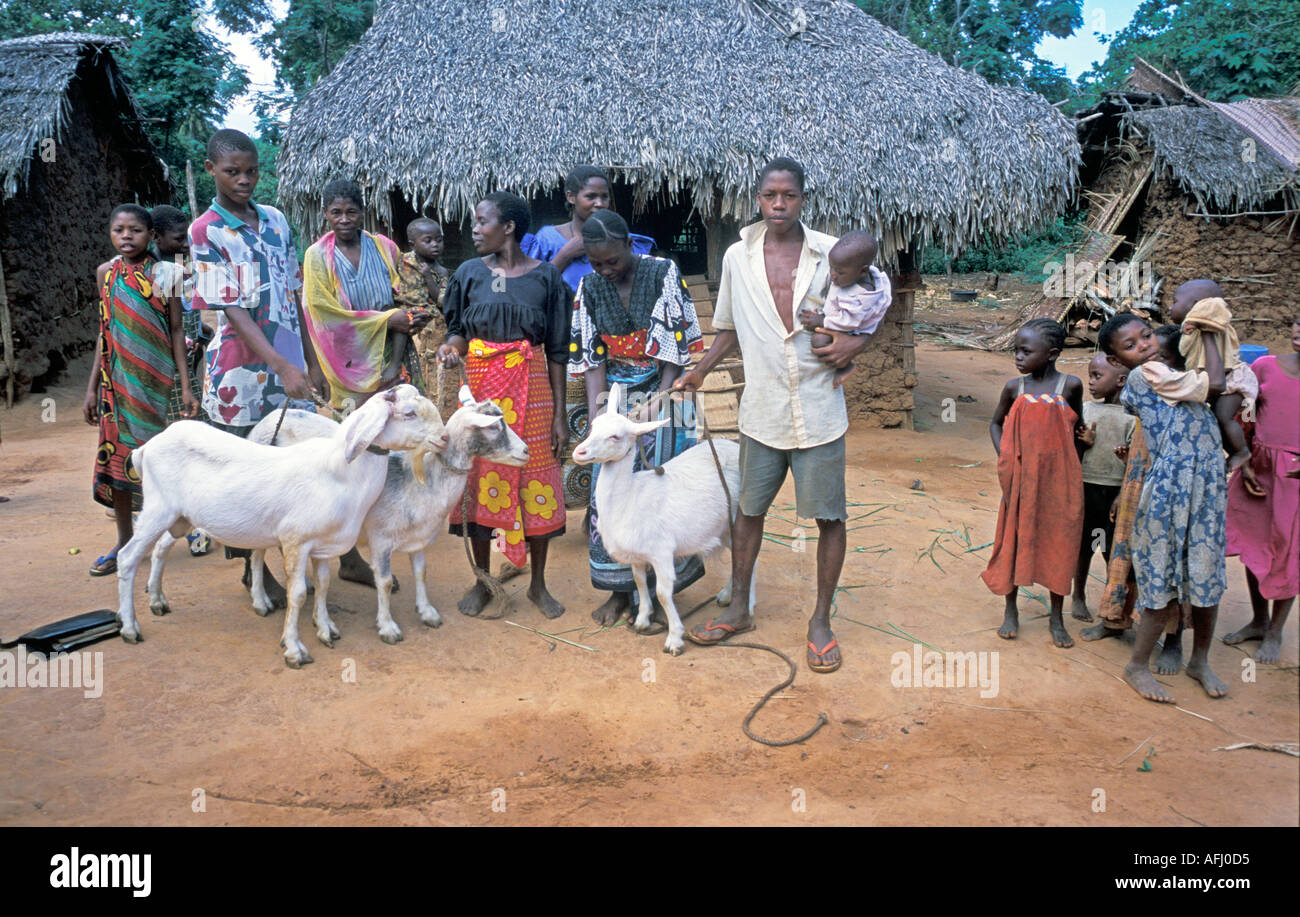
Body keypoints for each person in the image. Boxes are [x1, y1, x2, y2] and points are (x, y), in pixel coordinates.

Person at [672, 157, 872, 674]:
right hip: (760, 410)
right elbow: (729, 329)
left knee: (830, 517)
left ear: (804, 198)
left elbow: (877, 305)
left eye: (789, 195)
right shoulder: (738, 257)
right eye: (769, 195)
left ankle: (821, 620)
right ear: (757, 199)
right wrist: (699, 371)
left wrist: (853, 344)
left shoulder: (835, 252)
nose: (779, 203)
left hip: (821, 408)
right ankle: (739, 607)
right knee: (749, 511)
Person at [190, 128, 327, 606]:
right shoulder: (205, 230)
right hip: (239, 376)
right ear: (211, 170)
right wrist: (282, 367)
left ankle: (335, 552)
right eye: (232, 172)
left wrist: (310, 362)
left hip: (289, 367)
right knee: (244, 473)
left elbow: (293, 295)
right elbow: (230, 309)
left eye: (251, 171)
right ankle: (254, 570)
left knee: (295, 463)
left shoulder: (276, 221)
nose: (244, 180)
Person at [437, 191, 570, 619]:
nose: (474, 230)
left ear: (508, 227)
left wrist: (561, 415)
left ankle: (538, 585)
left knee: (534, 478)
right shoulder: (469, 273)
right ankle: (483, 581)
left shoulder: (546, 278)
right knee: (478, 482)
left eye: (482, 221)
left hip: (532, 396)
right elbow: (457, 330)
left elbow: (556, 352)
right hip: (481, 393)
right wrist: (450, 349)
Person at [569, 210, 705, 625]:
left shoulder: (662, 272)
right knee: (605, 493)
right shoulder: (589, 287)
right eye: (597, 263)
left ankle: (665, 591)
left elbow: (674, 347)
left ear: (631, 245)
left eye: (613, 261)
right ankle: (618, 589)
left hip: (664, 392)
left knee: (661, 490)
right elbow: (592, 358)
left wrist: (660, 400)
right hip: (616, 397)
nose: (606, 270)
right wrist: (599, 412)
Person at [1094, 312, 1230, 703]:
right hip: (1169, 493)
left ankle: (1199, 660)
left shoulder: (1175, 375)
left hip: (1206, 490)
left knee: (1207, 579)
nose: (1145, 346)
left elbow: (1214, 381)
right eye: (1131, 346)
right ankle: (1136, 666)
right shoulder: (1143, 379)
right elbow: (1214, 383)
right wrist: (1206, 332)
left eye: (1147, 336)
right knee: (1160, 582)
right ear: (1118, 361)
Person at [82, 204, 196, 576]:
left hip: (159, 387)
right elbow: (105, 331)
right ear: (110, 233)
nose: (127, 236)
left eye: (135, 230)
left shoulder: (169, 274)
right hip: (117, 387)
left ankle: (186, 528)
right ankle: (125, 539)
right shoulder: (105, 274)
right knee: (118, 463)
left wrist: (187, 386)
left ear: (151, 235)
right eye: (119, 230)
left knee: (166, 463)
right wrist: (91, 389)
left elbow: (177, 330)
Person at [979, 318, 1085, 648]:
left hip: (1060, 483)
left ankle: (1056, 617)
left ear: (1052, 353)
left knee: (1060, 543)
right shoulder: (1015, 388)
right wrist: (1007, 457)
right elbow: (995, 424)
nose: (1018, 357)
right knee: (1013, 538)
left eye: (1025, 351)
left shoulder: (1070, 386)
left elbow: (1078, 429)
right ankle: (1010, 611)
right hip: (1021, 482)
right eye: (1016, 351)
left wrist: (1073, 462)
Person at [302, 180, 433, 410]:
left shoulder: (384, 247)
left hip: (393, 350)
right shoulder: (317, 256)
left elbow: (406, 290)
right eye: (336, 213)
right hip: (349, 359)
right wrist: (386, 320)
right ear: (325, 214)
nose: (344, 219)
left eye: (351, 212)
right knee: (357, 428)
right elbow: (322, 314)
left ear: (362, 213)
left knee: (401, 421)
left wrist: (413, 315)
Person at [1223, 312, 1299, 664]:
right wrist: (1246, 459)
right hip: (1259, 468)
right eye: (1297, 322)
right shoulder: (1265, 367)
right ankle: (1258, 619)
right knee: (1254, 544)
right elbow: (1245, 415)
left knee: (1287, 552)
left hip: (1295, 478)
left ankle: (1275, 632)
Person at [1169, 279, 1257, 474]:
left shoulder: (1213, 321)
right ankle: (1234, 451)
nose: (1170, 307)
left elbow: (1216, 310)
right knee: (1217, 418)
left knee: (1223, 416)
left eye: (1175, 301)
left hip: (1234, 379)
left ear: (1197, 306)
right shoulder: (1194, 329)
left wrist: (1197, 320)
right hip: (1224, 381)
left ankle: (1241, 451)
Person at [1070, 352, 1134, 622]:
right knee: (1084, 546)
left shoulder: (1133, 417)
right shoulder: (1087, 409)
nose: (1091, 383)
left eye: (1097, 376)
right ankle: (1078, 596)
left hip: (1114, 494)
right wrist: (1085, 442)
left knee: (1111, 550)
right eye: (1090, 376)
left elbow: (1137, 461)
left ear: (1121, 380)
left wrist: (1126, 456)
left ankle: (1111, 604)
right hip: (1087, 487)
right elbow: (1073, 450)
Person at [522, 165, 654, 293]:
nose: (600, 204)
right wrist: (565, 255)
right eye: (591, 197)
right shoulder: (547, 239)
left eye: (604, 197)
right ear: (571, 197)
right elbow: (531, 289)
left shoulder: (622, 240)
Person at [797, 230, 892, 385]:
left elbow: (849, 322)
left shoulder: (860, 297)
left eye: (839, 272)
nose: (833, 275)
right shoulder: (850, 272)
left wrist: (822, 321)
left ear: (862, 271)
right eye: (831, 268)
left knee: (819, 340)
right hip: (842, 317)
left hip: (851, 328)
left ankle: (845, 367)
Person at [394, 217, 455, 417]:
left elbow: (444, 302)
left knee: (437, 378)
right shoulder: (404, 261)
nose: (435, 245)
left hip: (435, 327)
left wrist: (429, 277)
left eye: (439, 240)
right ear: (413, 244)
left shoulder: (441, 271)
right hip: (411, 326)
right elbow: (407, 296)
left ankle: (439, 414)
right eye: (428, 240)